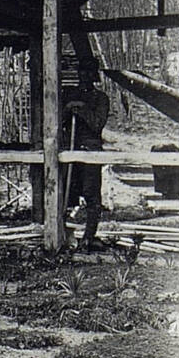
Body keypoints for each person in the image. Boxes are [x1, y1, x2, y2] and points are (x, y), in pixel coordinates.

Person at [62, 63, 110, 250]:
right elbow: (58, 118)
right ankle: (66, 235)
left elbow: (97, 124)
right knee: (67, 194)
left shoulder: (100, 98)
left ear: (94, 75)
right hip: (71, 150)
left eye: (88, 73)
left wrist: (81, 109)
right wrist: (69, 108)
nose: (84, 77)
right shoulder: (69, 95)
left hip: (90, 152)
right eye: (82, 73)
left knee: (91, 195)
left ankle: (89, 236)